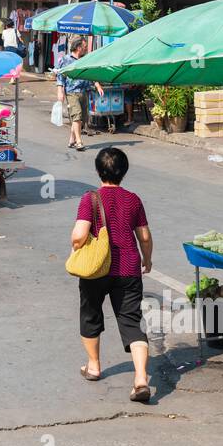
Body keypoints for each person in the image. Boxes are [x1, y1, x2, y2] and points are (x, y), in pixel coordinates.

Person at [71, 147, 153, 401]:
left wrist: (76, 247)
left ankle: (93, 366)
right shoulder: (133, 199)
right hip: (128, 268)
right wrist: (147, 260)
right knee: (131, 321)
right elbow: (145, 237)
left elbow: (79, 235)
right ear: (124, 172)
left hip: (97, 268)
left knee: (91, 313)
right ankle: (140, 379)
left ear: (98, 170)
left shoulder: (90, 199)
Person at [56, 38, 103, 151]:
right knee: (77, 115)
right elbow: (60, 76)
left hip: (84, 92)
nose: (86, 49)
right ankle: (79, 141)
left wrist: (97, 85)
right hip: (72, 92)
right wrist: (60, 91)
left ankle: (72, 139)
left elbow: (90, 73)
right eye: (85, 47)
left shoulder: (86, 59)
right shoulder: (65, 59)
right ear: (78, 48)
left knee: (81, 118)